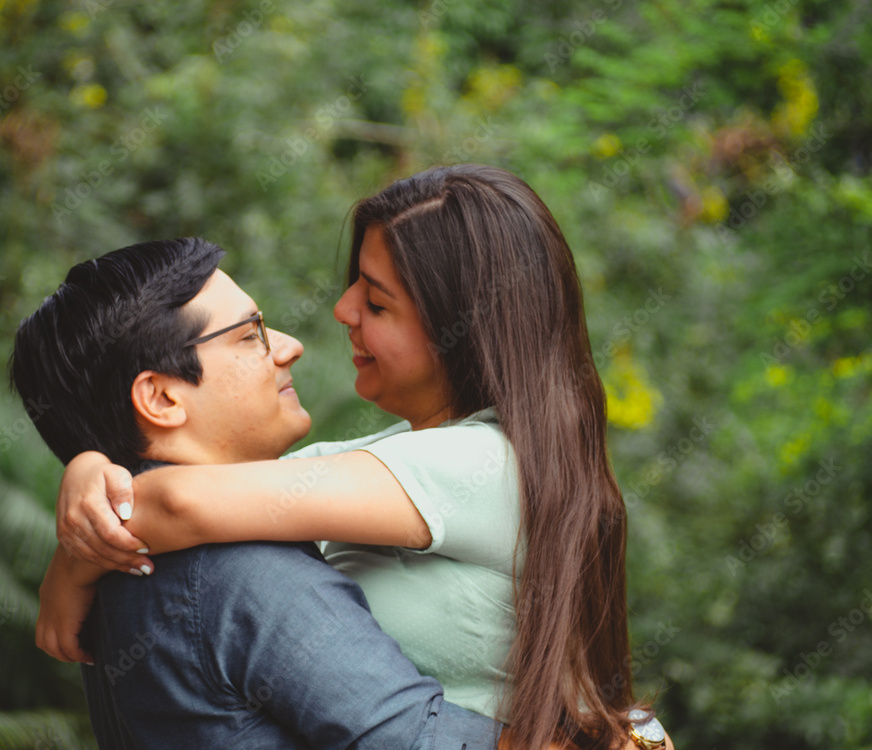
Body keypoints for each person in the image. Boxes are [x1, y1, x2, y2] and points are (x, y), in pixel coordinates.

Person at [53, 165, 670, 749]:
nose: (342, 310)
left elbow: (178, 502)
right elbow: (207, 486)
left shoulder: (486, 465)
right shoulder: (380, 462)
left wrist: (72, 558)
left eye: (377, 304)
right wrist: (92, 471)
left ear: (462, 333)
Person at [11, 237, 508, 748]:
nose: (289, 346)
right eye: (251, 334)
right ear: (161, 397)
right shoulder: (245, 569)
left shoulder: (115, 566)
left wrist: (84, 496)